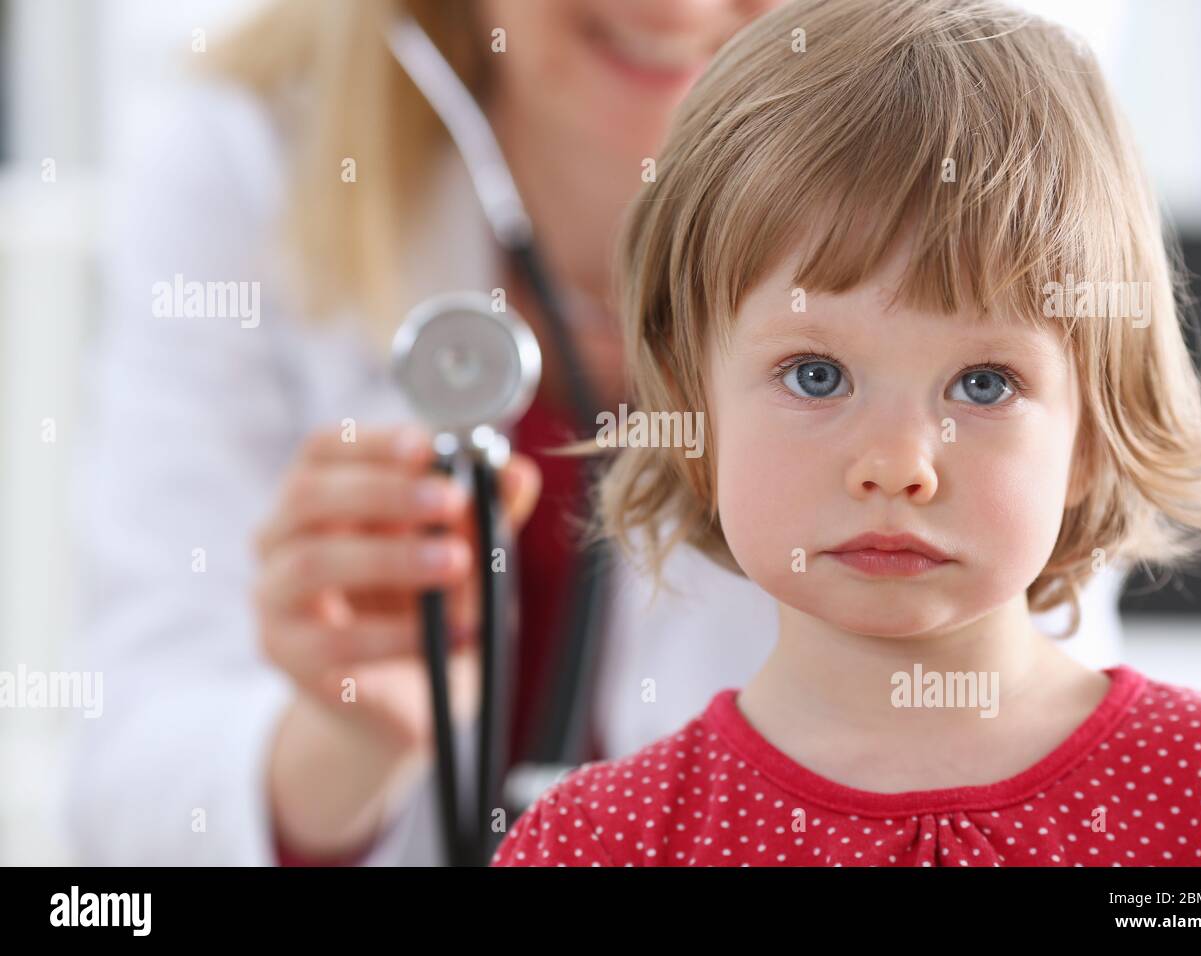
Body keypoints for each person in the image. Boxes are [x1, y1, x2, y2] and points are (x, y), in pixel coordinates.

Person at [62, 0, 1125, 866]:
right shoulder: (246, 154)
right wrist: (343, 736)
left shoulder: (1000, 171)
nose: (674, 8)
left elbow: (1008, 738)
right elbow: (131, 806)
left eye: (983, 382)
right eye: (811, 373)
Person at [491, 0, 1201, 867]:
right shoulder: (594, 844)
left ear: (1094, 434)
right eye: (816, 376)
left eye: (984, 385)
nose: (897, 465)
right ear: (695, 409)